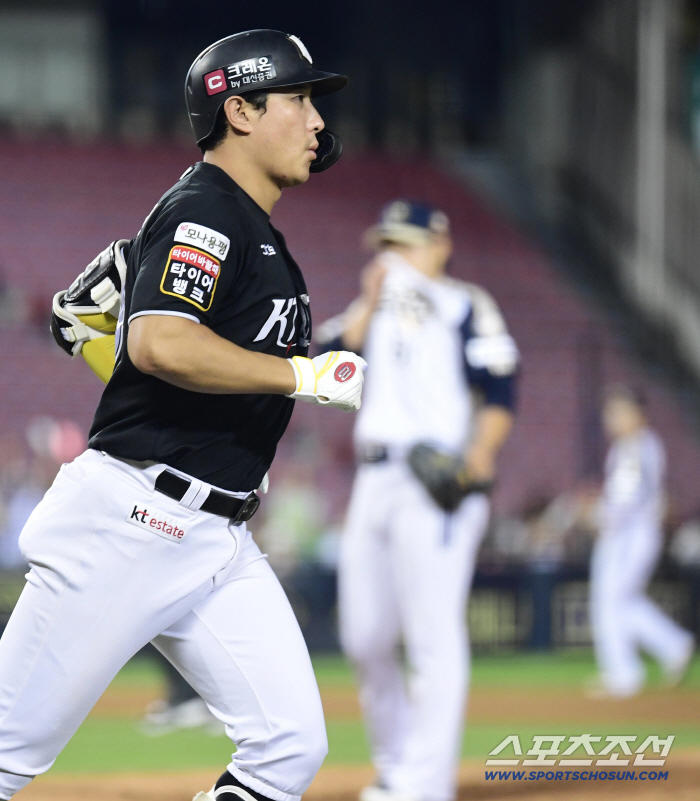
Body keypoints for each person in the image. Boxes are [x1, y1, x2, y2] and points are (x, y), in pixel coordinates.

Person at [0, 29, 366, 801]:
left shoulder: (254, 230)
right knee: (4, 751)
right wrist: (301, 371)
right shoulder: (206, 210)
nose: (315, 122)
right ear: (239, 110)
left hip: (214, 534)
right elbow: (164, 342)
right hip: (130, 522)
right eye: (298, 99)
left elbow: (175, 361)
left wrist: (320, 352)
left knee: (289, 746)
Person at [320, 200, 519, 801]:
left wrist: (478, 456)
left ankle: (425, 785)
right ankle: (398, 764)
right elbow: (324, 369)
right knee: (364, 636)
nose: (395, 255)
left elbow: (501, 390)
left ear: (440, 245)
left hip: (435, 480)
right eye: (387, 244)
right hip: (375, 478)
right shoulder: (369, 311)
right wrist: (366, 302)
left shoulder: (466, 304)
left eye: (405, 244)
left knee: (432, 635)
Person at [588, 385, 694, 697]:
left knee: (610, 600)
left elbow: (625, 499)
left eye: (617, 411)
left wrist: (598, 517)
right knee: (622, 600)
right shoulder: (640, 445)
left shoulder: (634, 447)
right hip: (635, 533)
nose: (611, 419)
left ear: (636, 414)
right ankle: (672, 646)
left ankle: (624, 673)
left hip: (628, 536)